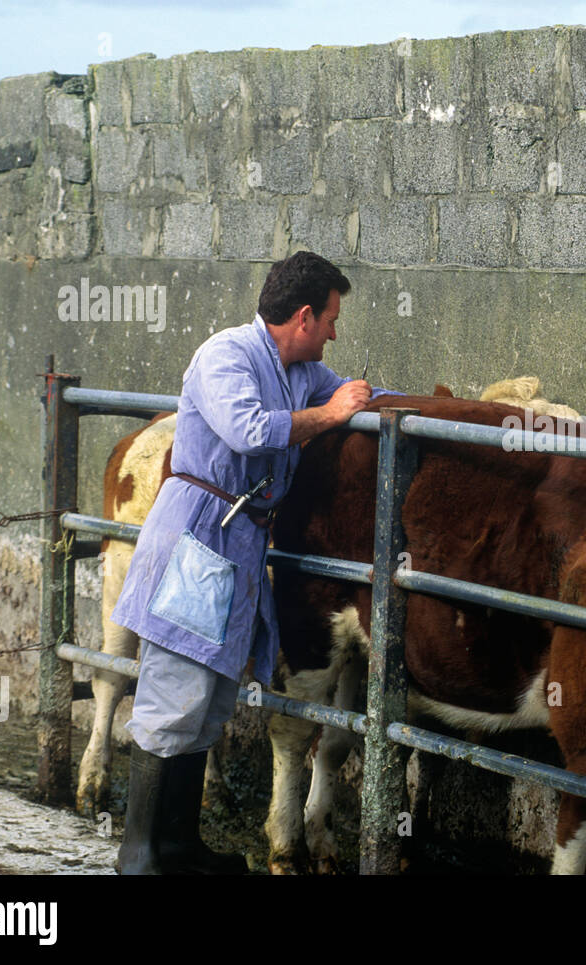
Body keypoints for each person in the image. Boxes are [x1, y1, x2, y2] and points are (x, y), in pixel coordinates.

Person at [111, 251, 397, 874]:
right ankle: (139, 855)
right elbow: (249, 430)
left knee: (209, 702)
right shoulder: (227, 355)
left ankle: (180, 846)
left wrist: (423, 410)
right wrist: (332, 414)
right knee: (172, 698)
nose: (334, 333)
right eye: (331, 320)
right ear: (304, 316)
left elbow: (357, 396)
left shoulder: (300, 371)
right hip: (198, 534)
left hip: (240, 542)